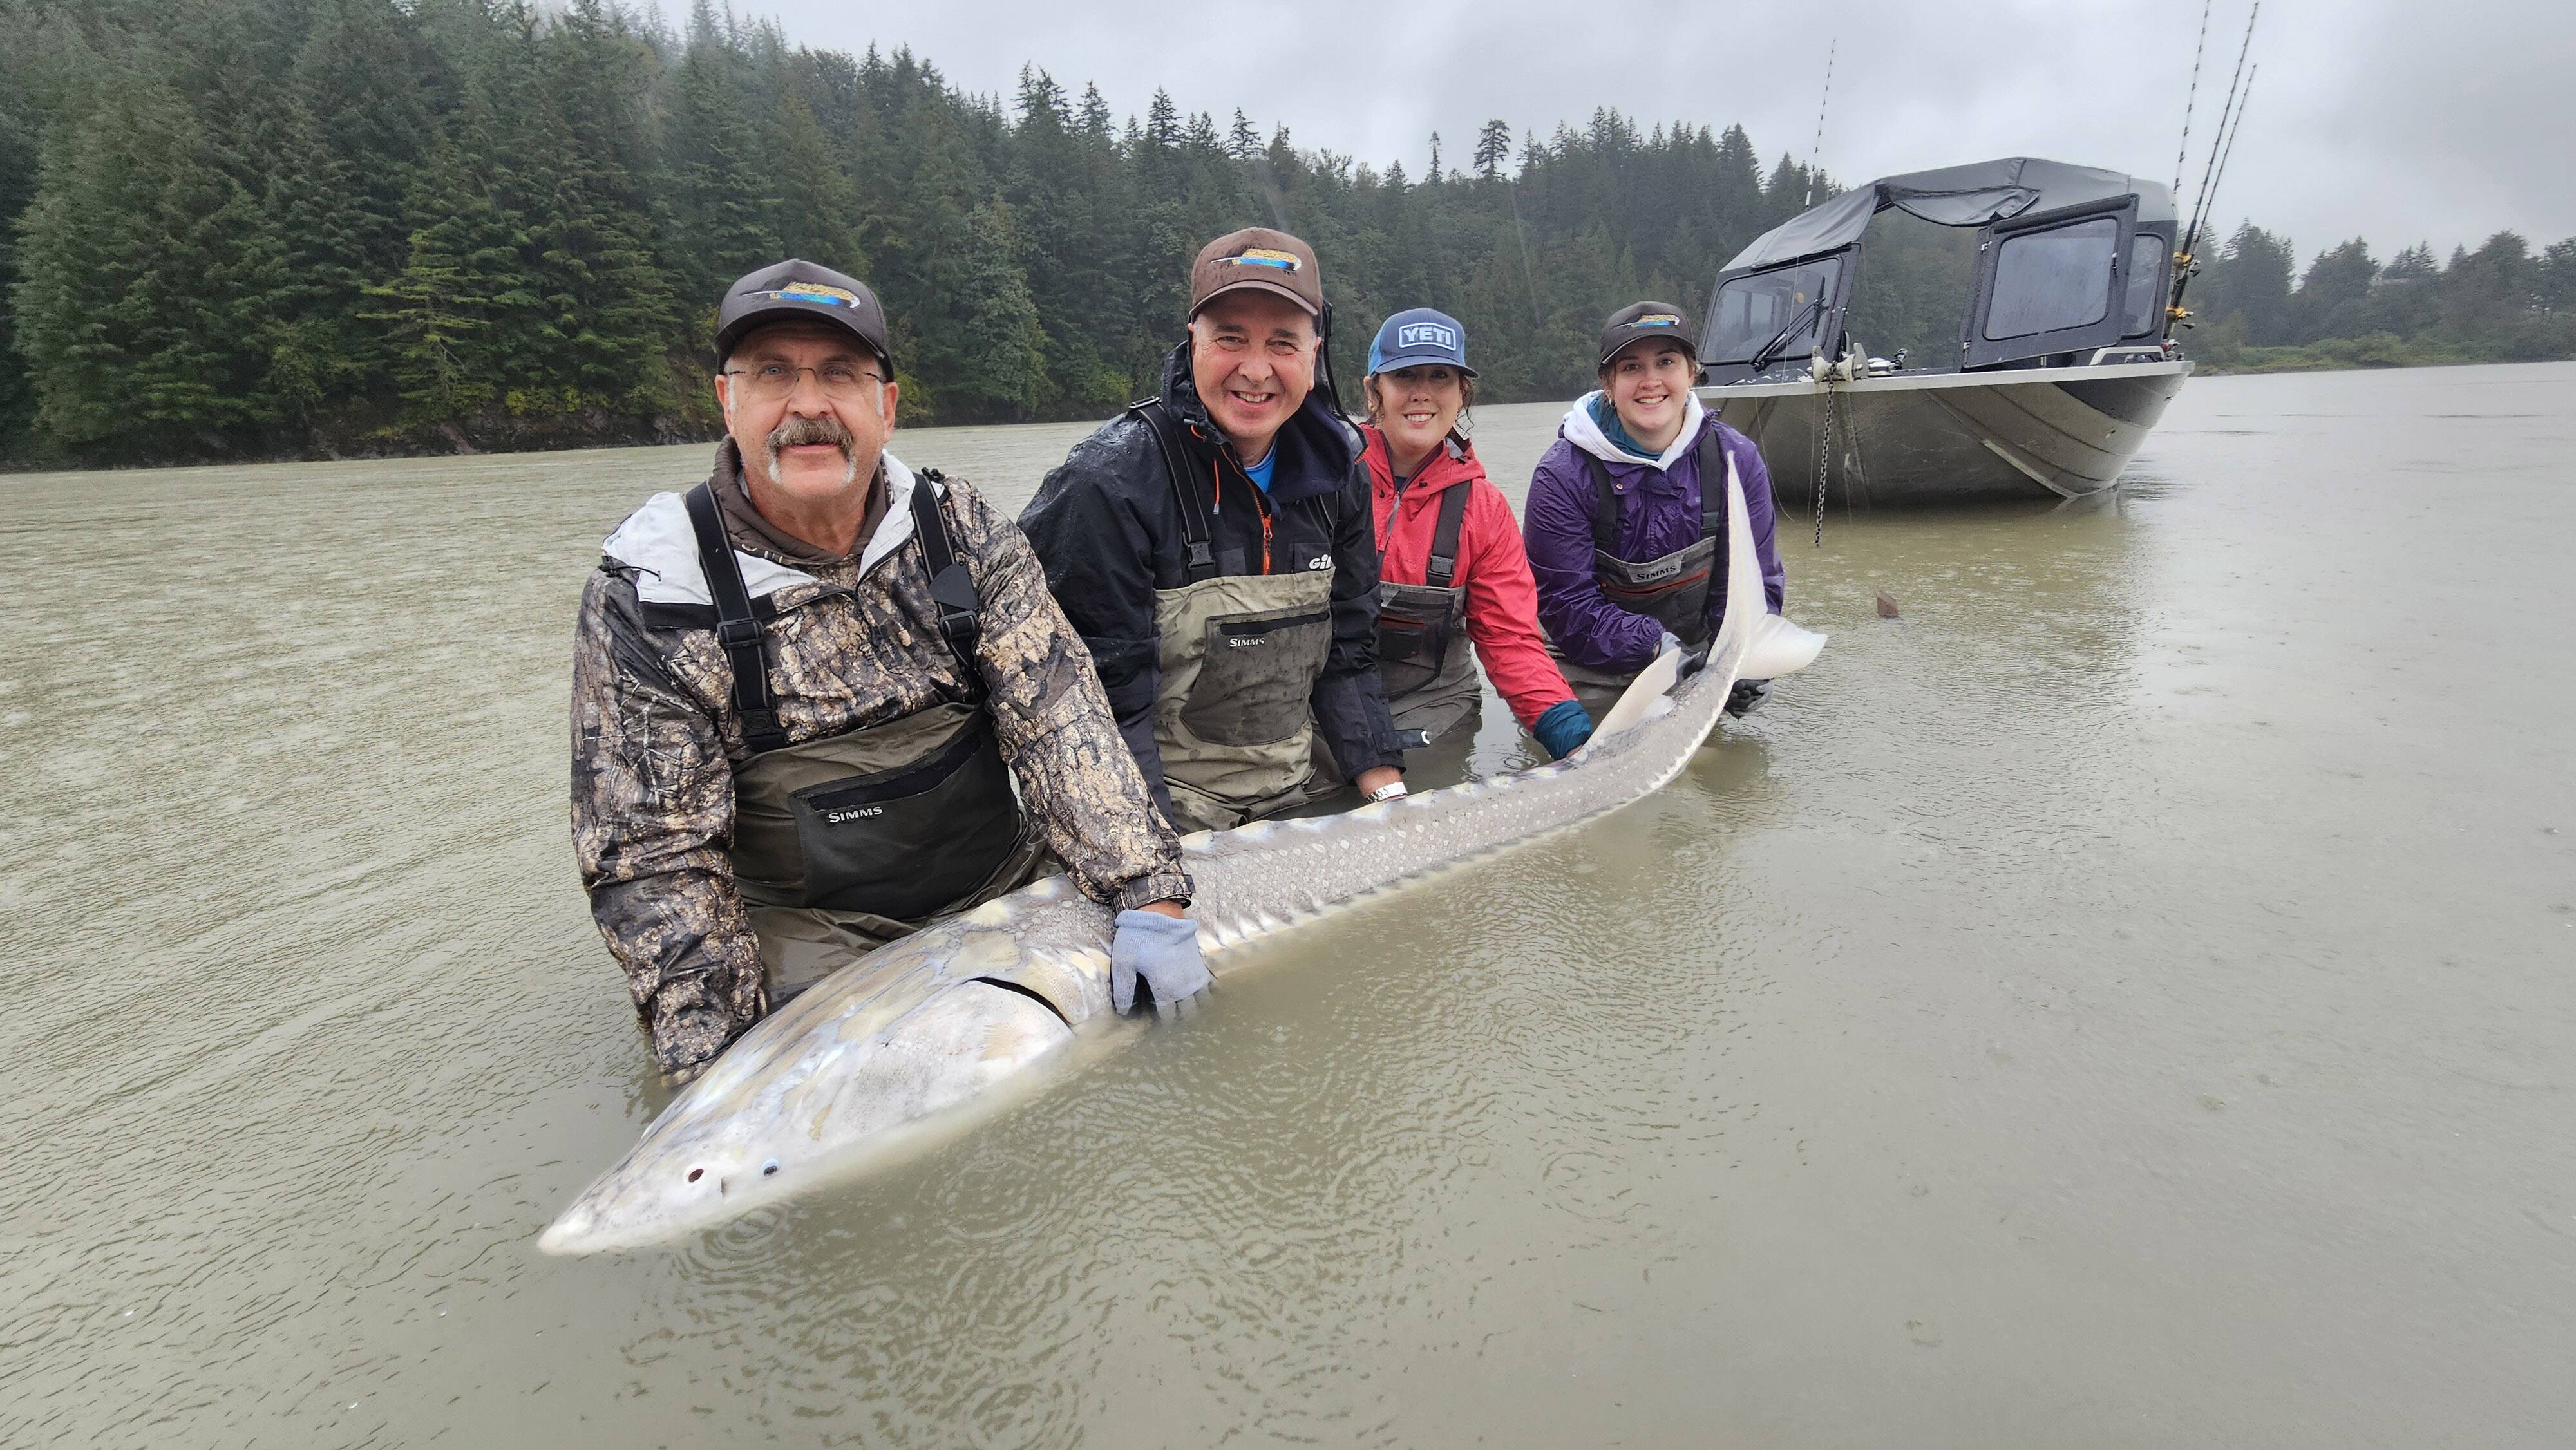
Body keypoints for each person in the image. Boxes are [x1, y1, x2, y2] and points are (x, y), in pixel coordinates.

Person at [570, 259, 1209, 1083]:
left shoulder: (960, 530)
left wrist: (1147, 890)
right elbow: (655, 856)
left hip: (999, 886)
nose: (809, 405)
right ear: (727, 400)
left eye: (840, 373)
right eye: (773, 373)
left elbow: (1061, 721)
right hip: (811, 935)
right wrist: (723, 1070)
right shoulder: (657, 593)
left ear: (887, 406)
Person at [1020, 228, 1404, 832]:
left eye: (1283, 342)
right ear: (1192, 341)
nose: (1256, 370)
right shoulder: (1107, 484)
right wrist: (1149, 871)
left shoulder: (1343, 477)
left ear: (1314, 353)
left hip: (1297, 786)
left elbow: (1349, 654)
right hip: (1158, 804)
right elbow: (1098, 709)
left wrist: (1389, 794)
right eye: (1230, 338)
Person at [1524, 301, 1788, 713]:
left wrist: (1746, 663)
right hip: (1586, 665)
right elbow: (1566, 606)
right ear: (1608, 384)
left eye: (1666, 361)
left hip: (1697, 659)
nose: (1651, 381)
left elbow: (1751, 585)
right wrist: (1658, 648)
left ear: (1691, 372)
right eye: (1630, 367)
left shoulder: (1737, 459)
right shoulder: (1561, 475)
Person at [1358, 308, 1594, 761]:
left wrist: (1569, 732)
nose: (1422, 393)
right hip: (1324, 702)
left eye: (1441, 377)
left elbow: (1509, 639)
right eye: (1405, 375)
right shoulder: (1325, 479)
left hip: (1432, 710)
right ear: (1374, 390)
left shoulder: (1485, 510)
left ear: (1463, 392)